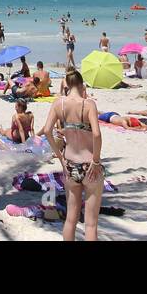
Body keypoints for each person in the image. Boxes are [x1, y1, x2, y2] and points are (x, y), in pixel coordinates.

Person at [40, 69, 103, 242]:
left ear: (66, 85)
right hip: (89, 164)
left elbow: (47, 130)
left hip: (69, 164)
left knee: (70, 219)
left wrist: (59, 156)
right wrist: (96, 161)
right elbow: (96, 134)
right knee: (90, 224)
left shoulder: (58, 103)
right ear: (82, 85)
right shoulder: (88, 104)